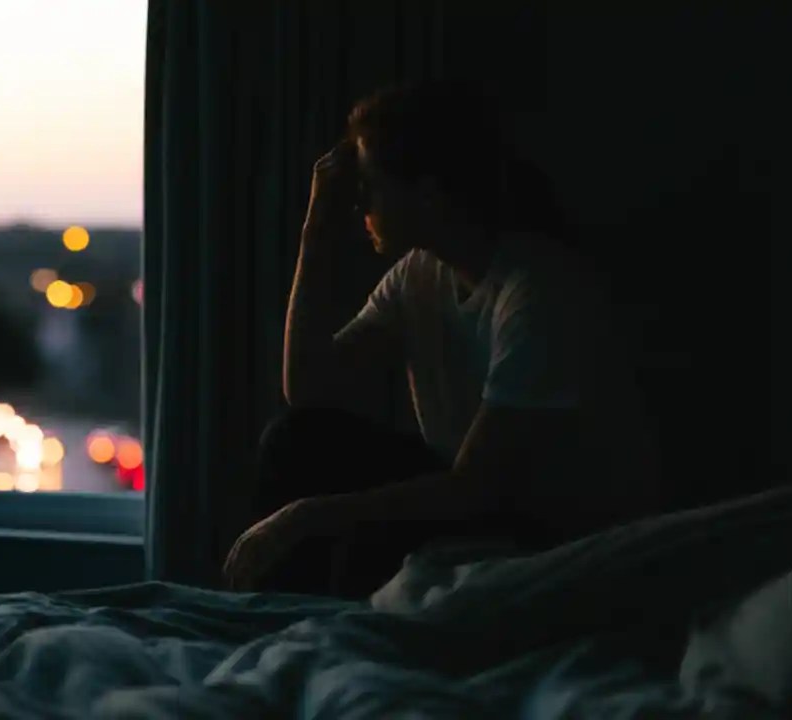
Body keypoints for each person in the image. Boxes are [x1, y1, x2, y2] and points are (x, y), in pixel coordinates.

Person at [222, 82, 660, 597]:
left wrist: (306, 516)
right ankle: (278, 618)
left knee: (357, 524)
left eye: (371, 184)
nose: (359, 201)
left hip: (550, 527)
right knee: (298, 440)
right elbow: (309, 388)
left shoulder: (538, 289)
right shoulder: (418, 276)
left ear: (427, 193)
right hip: (476, 499)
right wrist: (314, 232)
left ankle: (304, 622)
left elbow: (480, 486)